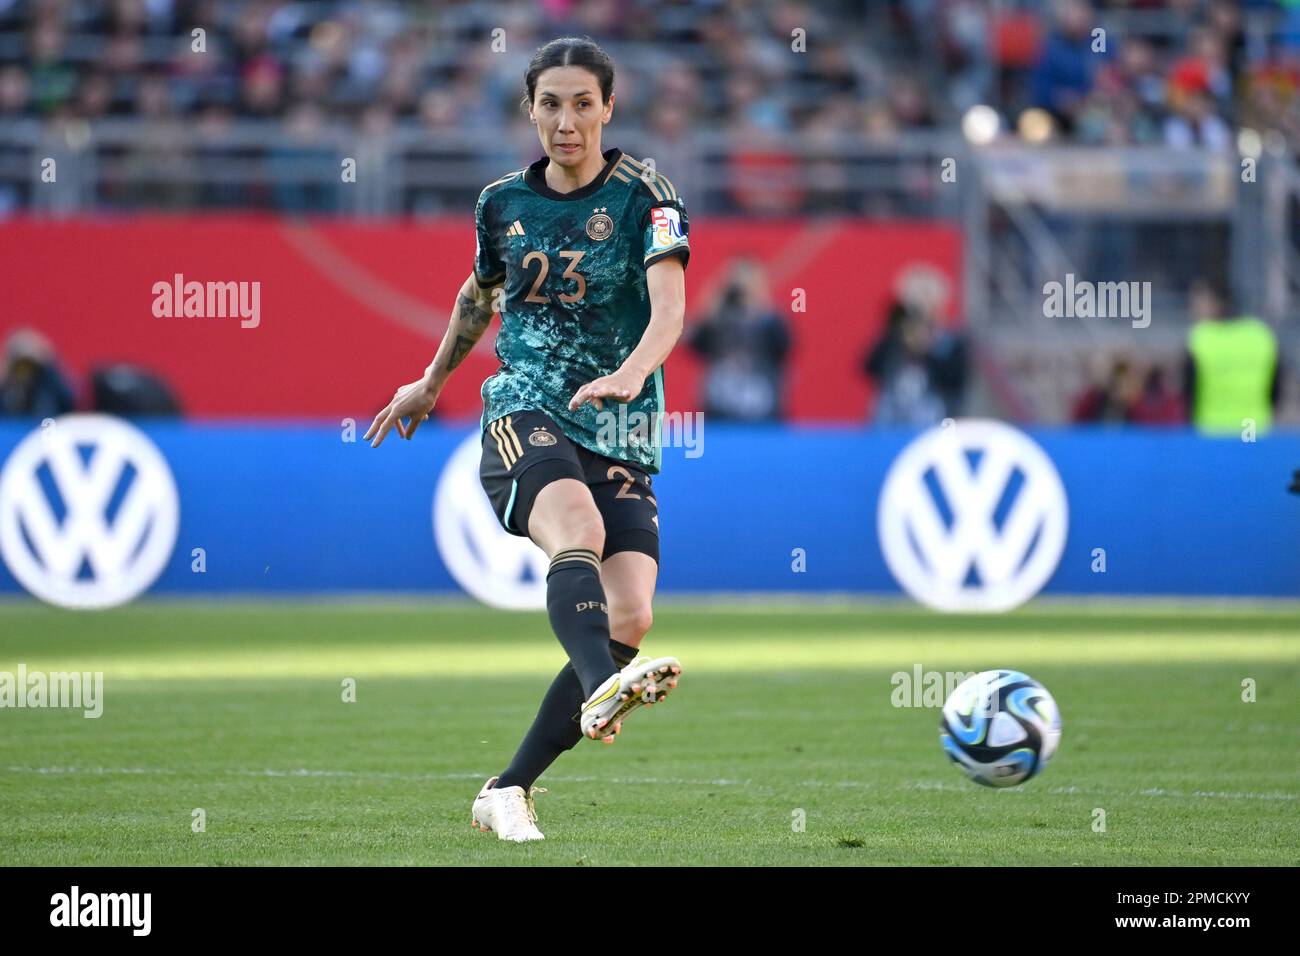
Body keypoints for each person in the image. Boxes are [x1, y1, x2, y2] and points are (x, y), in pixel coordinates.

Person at [365, 38, 688, 842]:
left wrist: (631, 371)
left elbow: (670, 308)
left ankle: (506, 790)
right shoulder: (502, 203)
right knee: (574, 530)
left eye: (583, 104)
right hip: (526, 408)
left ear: (609, 108)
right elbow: (479, 297)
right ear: (529, 109)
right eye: (551, 104)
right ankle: (598, 686)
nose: (566, 121)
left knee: (634, 615)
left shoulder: (649, 194)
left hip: (618, 421)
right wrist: (431, 381)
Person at [687, 257, 791, 421]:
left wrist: (760, 305)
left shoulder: (771, 321)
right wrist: (711, 303)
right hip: (718, 412)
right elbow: (690, 341)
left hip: (763, 412)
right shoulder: (717, 320)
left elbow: (785, 348)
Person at [1182, 280, 1283, 435]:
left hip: (1211, 433)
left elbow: (1189, 393)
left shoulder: (1200, 339)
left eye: (1198, 302)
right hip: (1254, 432)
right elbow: (1276, 392)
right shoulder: (1262, 336)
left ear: (1216, 303)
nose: (1193, 309)